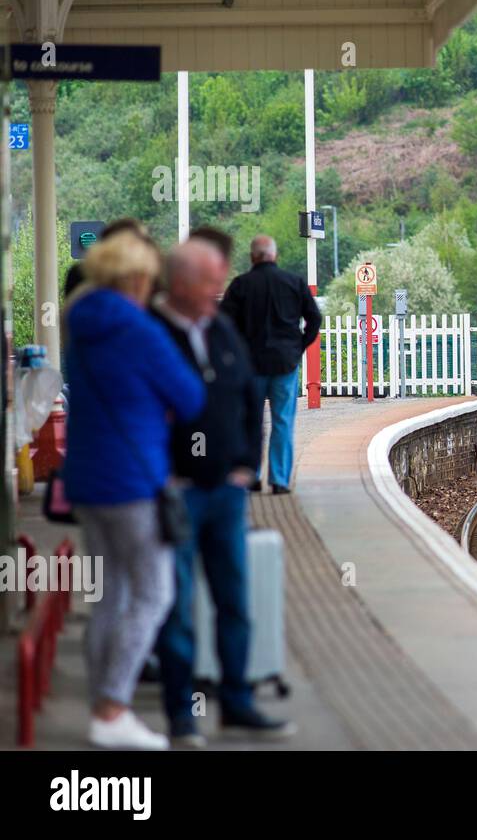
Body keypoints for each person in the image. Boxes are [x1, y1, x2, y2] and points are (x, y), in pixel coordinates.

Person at [63, 231, 206, 750]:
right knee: (154, 593)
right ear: (138, 278)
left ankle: (102, 704)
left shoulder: (79, 325)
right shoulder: (140, 330)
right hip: (133, 480)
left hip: (86, 480)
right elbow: (190, 397)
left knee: (111, 597)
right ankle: (111, 709)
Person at [153, 238, 295, 746]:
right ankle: (181, 715)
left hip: (226, 493)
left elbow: (243, 401)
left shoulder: (222, 331)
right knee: (177, 604)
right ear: (183, 282)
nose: (218, 289)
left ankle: (236, 701)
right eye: (210, 281)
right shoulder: (155, 335)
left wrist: (243, 468)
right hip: (175, 493)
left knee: (233, 600)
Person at [219, 235, 321, 493]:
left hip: (250, 366)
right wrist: (298, 346)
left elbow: (223, 325)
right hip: (285, 364)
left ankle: (250, 475)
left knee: (250, 421)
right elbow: (314, 319)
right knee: (283, 422)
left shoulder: (240, 285)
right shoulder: (294, 283)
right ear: (274, 256)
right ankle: (279, 481)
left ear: (253, 257)